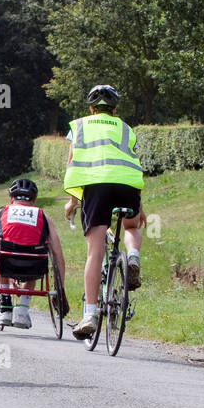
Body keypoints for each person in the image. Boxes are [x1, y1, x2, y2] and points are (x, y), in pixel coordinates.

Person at [61, 84, 145, 340]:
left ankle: (90, 314)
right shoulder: (126, 129)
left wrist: (72, 200)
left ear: (91, 108)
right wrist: (141, 207)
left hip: (96, 186)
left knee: (95, 251)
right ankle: (132, 256)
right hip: (127, 185)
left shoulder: (79, 126)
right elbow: (130, 160)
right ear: (115, 109)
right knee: (130, 227)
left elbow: (73, 162)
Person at [0, 178, 69, 329]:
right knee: (35, 252)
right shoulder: (44, 217)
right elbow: (58, 255)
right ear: (34, 200)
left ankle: (5, 308)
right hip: (34, 267)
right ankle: (23, 311)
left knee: (1, 250)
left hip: (6, 265)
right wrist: (60, 290)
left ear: (11, 198)